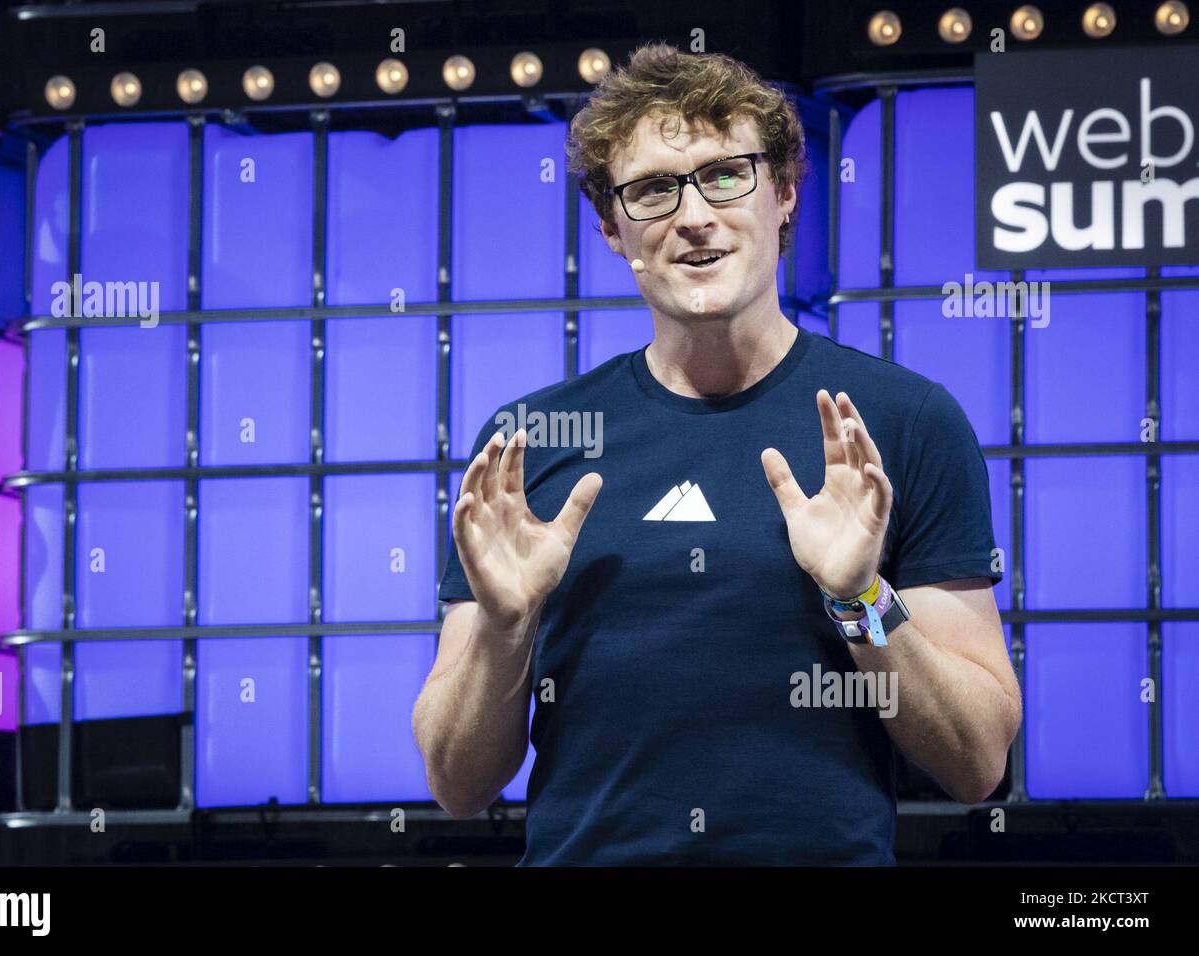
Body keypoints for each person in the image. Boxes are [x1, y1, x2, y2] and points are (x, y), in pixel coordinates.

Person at [411, 41, 1021, 865]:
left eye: (726, 174)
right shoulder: (527, 443)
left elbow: (977, 761)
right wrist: (506, 625)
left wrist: (861, 596)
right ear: (611, 226)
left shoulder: (902, 421)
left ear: (785, 194)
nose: (693, 215)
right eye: (653, 190)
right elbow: (457, 783)